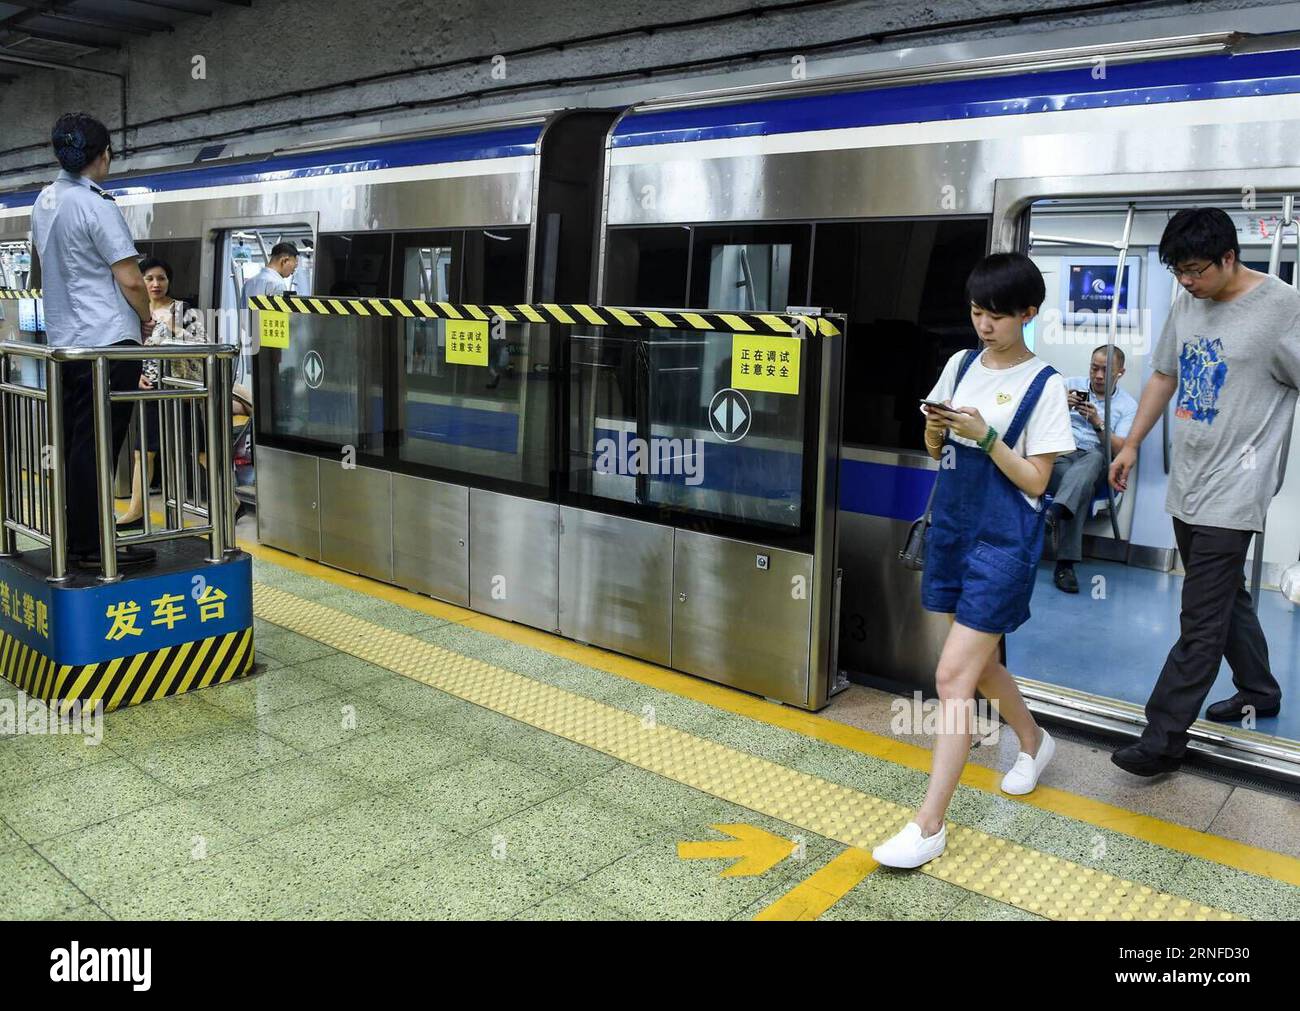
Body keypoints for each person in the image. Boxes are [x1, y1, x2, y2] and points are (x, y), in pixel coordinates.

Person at [872, 253, 1075, 869]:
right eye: (976, 312)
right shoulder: (959, 364)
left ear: (1028, 314)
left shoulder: (1046, 386)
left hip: (1005, 544)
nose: (983, 325)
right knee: (981, 670)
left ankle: (929, 825)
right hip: (955, 532)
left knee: (953, 678)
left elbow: (1037, 483)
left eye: (997, 315)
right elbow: (935, 445)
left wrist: (987, 436)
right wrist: (938, 429)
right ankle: (1035, 741)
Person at [1109, 207, 1300, 776]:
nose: (1187, 282)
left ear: (1228, 258)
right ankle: (1260, 690)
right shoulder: (1187, 301)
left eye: (1195, 270)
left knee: (1200, 620)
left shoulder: (1282, 307)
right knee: (1223, 598)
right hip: (1189, 479)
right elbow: (1165, 375)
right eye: (1178, 272)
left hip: (1237, 486)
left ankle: (1163, 737)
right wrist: (1132, 444)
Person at [30, 112, 155, 571]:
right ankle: (90, 546)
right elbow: (131, 279)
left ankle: (78, 538)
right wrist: (145, 321)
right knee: (100, 445)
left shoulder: (44, 201)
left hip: (68, 343)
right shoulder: (97, 204)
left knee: (77, 444)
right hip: (107, 343)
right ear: (103, 156)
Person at [117, 257, 207, 527]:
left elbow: (202, 346)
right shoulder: (132, 312)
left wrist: (173, 328)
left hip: (180, 391)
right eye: (149, 278)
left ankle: (231, 503)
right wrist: (136, 376)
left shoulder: (184, 311)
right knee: (142, 452)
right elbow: (128, 349)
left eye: (161, 278)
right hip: (151, 393)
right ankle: (136, 511)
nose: (156, 284)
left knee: (200, 450)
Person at [1045, 344, 1138, 592]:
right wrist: (1059, 405)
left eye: (1105, 371)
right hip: (1062, 457)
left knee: (1095, 458)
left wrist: (1098, 423)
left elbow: (1120, 450)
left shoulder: (1127, 406)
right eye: (1094, 368)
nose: (1097, 376)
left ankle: (1052, 514)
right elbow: (1036, 420)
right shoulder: (1067, 385)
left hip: (1097, 465)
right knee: (1077, 487)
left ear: (1121, 372)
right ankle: (1064, 566)